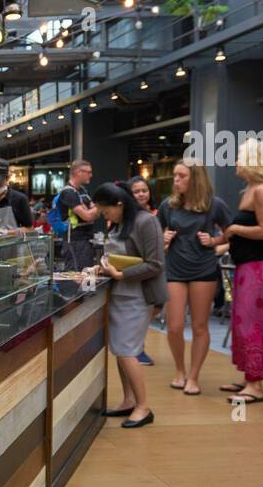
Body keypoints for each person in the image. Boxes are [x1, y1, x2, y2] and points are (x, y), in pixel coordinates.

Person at [218, 138, 263, 404]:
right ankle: (250, 375)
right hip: (247, 266)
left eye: (240, 157)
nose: (236, 162)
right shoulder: (251, 189)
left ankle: (255, 385)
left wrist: (235, 230)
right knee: (243, 322)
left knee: (254, 322)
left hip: (259, 268)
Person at [90, 181, 167, 428]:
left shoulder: (146, 222)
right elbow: (119, 258)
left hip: (137, 297)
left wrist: (121, 275)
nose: (105, 216)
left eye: (106, 211)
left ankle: (143, 407)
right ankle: (128, 400)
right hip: (120, 295)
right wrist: (103, 268)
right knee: (121, 351)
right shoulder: (122, 222)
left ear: (120, 204)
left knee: (126, 351)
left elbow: (155, 264)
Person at [158, 160, 232, 395]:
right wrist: (164, 239)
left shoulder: (214, 205)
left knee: (200, 325)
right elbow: (154, 236)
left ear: (195, 178)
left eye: (181, 176)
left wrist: (214, 241)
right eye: (175, 176)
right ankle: (179, 370)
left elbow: (232, 233)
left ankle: (194, 376)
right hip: (175, 269)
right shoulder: (168, 206)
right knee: (175, 325)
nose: (176, 180)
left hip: (203, 269)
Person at [128, 176, 159, 365]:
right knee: (141, 307)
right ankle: (137, 347)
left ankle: (137, 344)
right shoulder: (127, 215)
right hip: (136, 267)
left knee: (155, 306)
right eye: (137, 191)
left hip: (157, 265)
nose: (141, 194)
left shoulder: (157, 213)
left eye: (144, 190)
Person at [56, 159, 100, 270]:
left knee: (88, 277)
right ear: (78, 172)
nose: (91, 175)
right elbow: (88, 216)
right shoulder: (68, 192)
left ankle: (89, 288)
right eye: (88, 172)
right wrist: (100, 206)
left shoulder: (83, 191)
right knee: (77, 277)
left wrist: (92, 210)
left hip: (86, 240)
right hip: (74, 242)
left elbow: (94, 214)